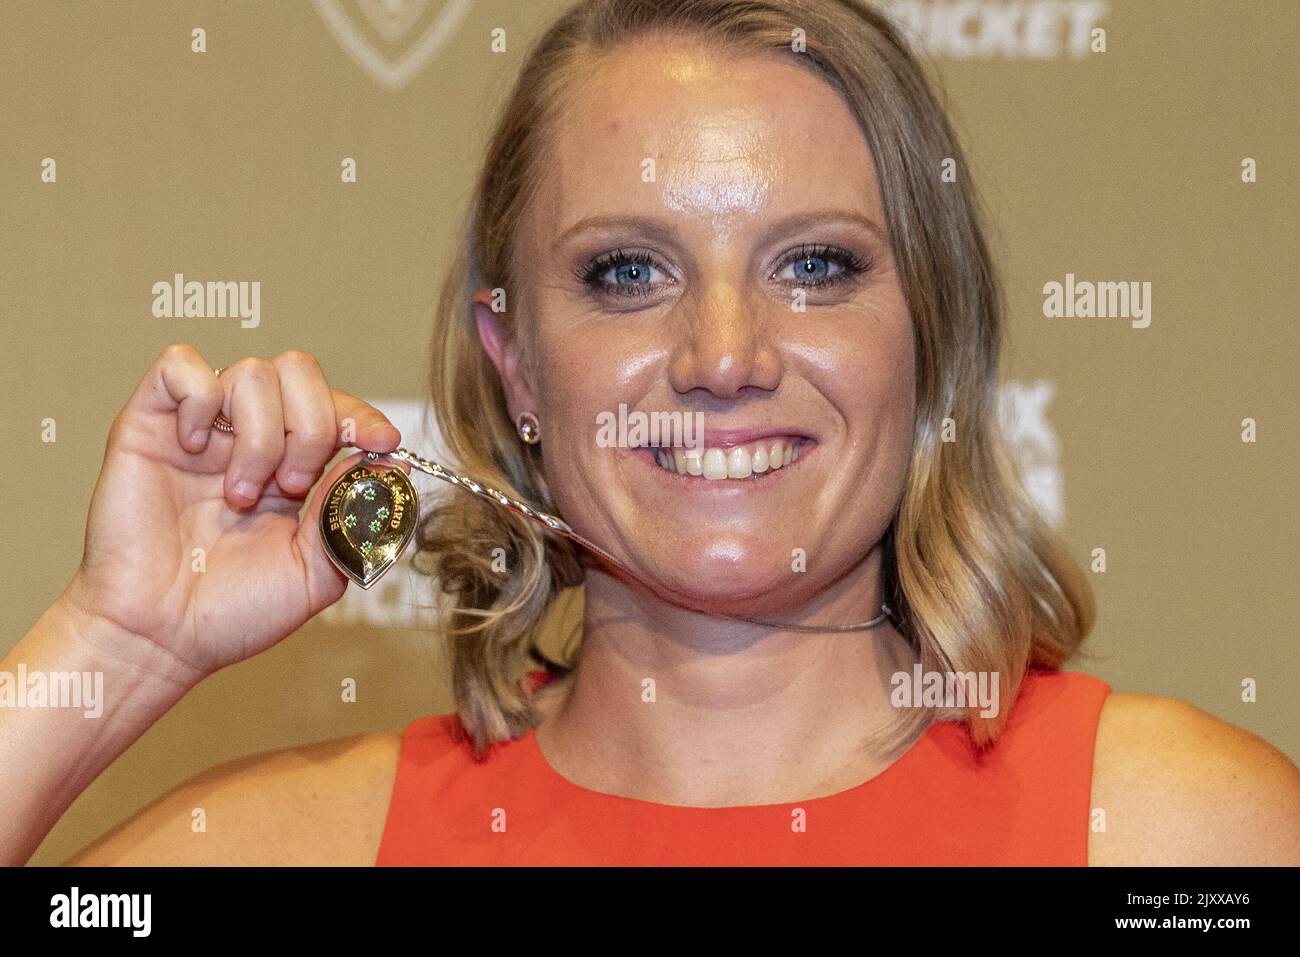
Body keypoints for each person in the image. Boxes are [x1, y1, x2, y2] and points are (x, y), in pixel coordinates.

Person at [5, 0, 1297, 867]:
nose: (724, 356)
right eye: (628, 272)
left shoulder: (1169, 832)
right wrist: (114, 649)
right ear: (512, 360)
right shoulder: (303, 846)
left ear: (929, 338)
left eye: (816, 265)